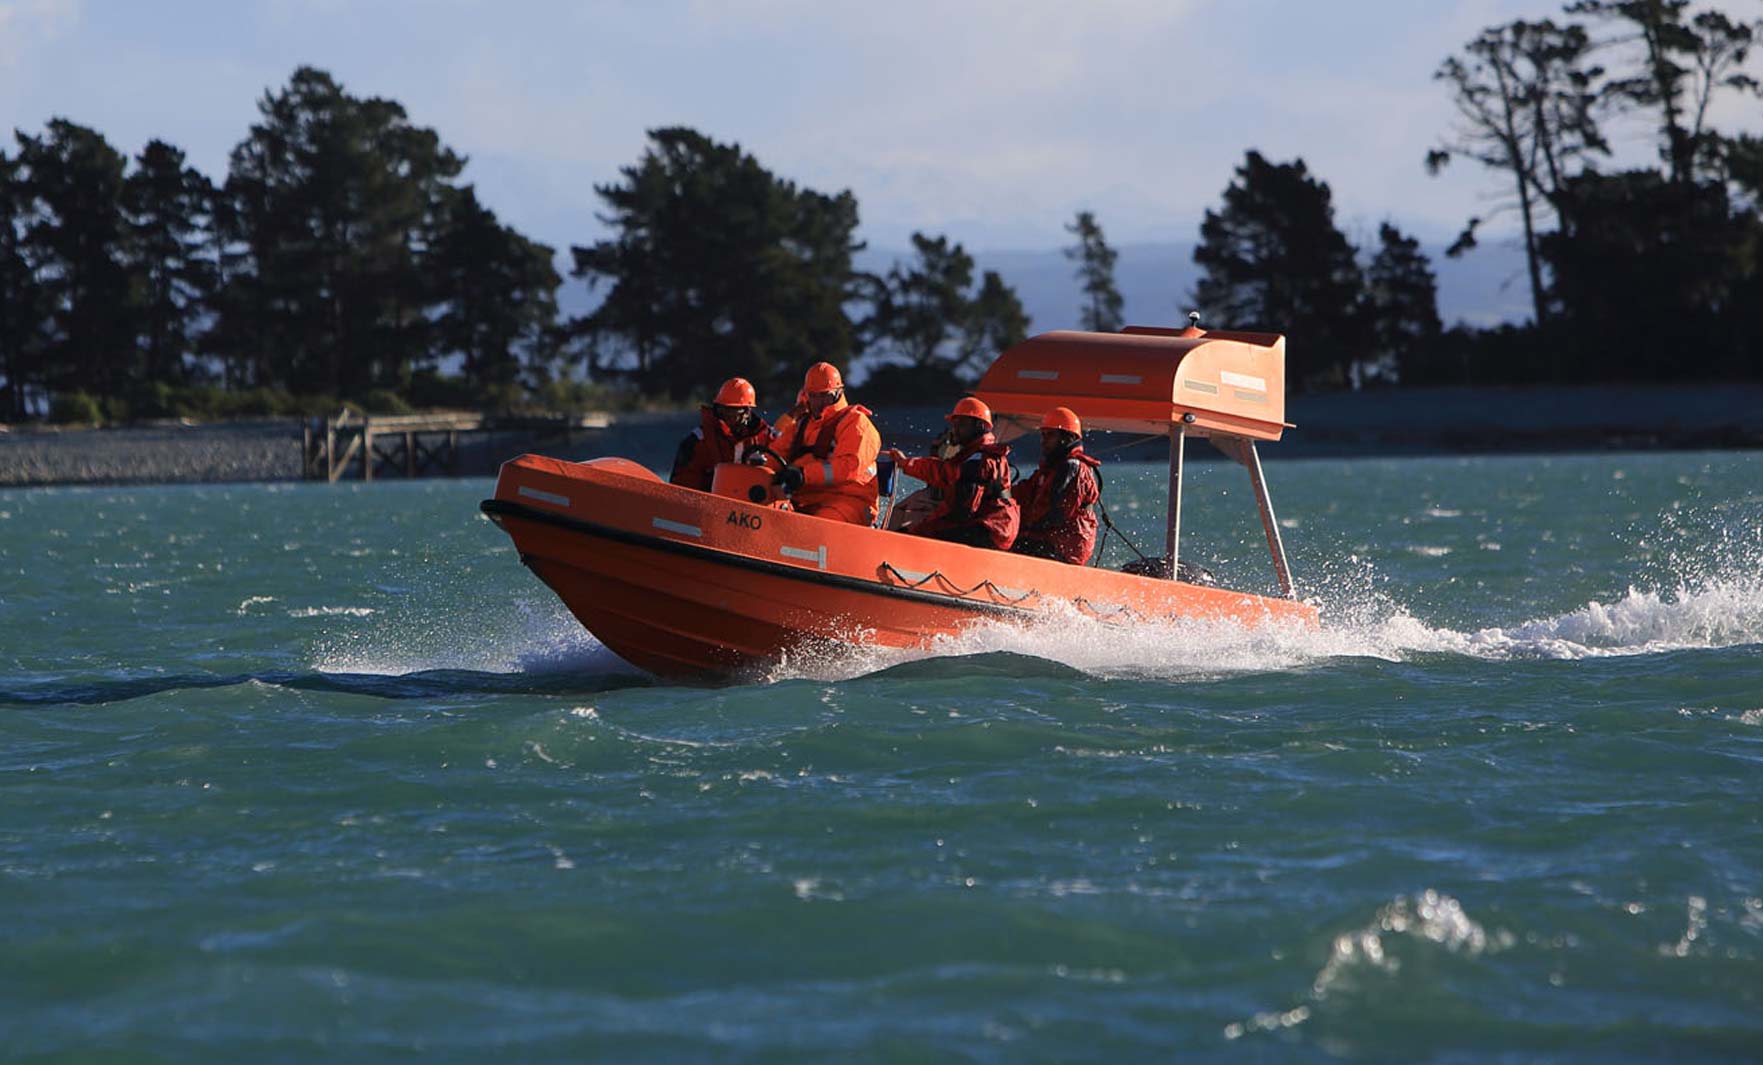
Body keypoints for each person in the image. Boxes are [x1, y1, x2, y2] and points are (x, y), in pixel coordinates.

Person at [883, 396, 1019, 550]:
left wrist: (920, 528)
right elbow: (944, 471)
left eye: (961, 424)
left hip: (991, 528)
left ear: (979, 426)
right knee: (919, 531)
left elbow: (962, 511)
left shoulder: (978, 460)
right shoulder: (971, 456)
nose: (955, 430)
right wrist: (906, 463)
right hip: (990, 524)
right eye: (954, 424)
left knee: (920, 534)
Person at [773, 362, 882, 525]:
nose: (818, 402)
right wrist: (761, 471)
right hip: (803, 500)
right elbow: (774, 455)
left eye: (825, 395)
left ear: (839, 393)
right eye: (813, 396)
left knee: (819, 525)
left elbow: (849, 467)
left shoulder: (856, 423)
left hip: (848, 501)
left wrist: (803, 475)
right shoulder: (801, 425)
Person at [1011, 406, 1101, 565]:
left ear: (1068, 438)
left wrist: (1026, 530)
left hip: (1064, 547)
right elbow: (1021, 494)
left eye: (1050, 435)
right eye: (1043, 435)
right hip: (1049, 540)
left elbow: (1059, 514)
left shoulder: (1073, 468)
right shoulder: (1049, 470)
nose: (1044, 440)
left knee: (1015, 548)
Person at [669, 377, 772, 491]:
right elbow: (682, 487)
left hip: (753, 504)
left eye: (732, 412)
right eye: (722, 411)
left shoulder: (765, 437)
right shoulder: (698, 441)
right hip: (710, 504)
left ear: (747, 412)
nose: (726, 417)